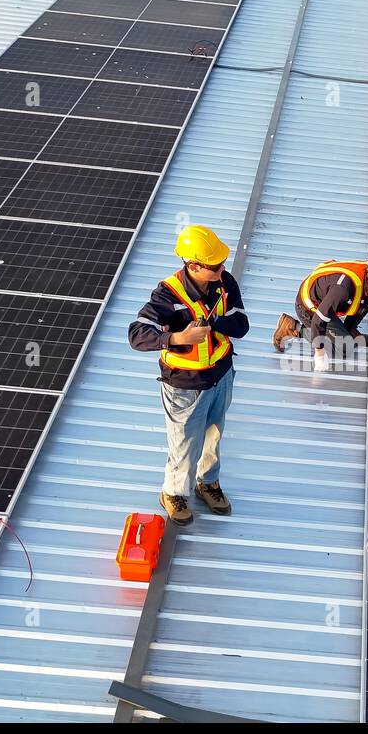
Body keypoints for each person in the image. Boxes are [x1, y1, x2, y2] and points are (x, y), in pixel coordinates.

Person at [128, 225, 249, 526]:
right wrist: (179, 338)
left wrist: (217, 322)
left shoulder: (225, 283)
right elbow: (136, 335)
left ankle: (207, 483)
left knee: (214, 434)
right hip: (185, 386)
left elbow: (242, 325)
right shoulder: (167, 295)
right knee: (184, 443)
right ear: (193, 265)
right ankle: (173, 493)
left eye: (222, 264)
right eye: (214, 266)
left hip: (221, 375)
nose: (222, 271)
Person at [271, 256, 368, 370]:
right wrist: (319, 352)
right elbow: (319, 320)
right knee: (345, 349)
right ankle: (294, 328)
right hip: (310, 308)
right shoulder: (344, 289)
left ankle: (346, 330)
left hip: (327, 299)